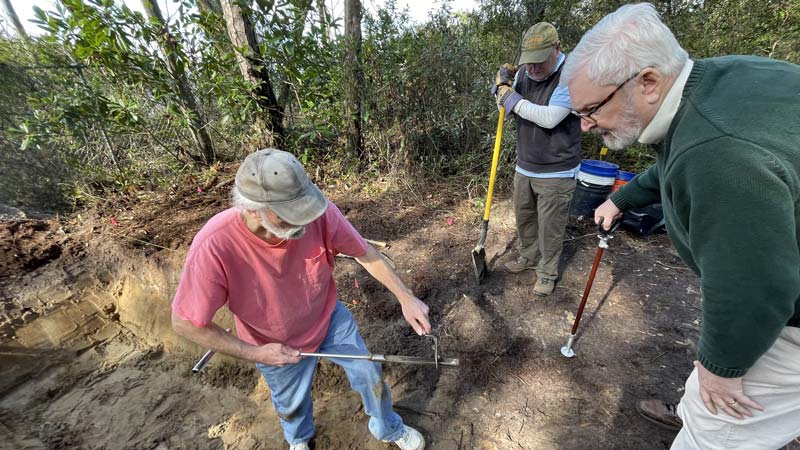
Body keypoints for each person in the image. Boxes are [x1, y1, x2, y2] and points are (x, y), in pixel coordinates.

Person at [560, 3, 800, 449]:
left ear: (647, 81)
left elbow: (754, 290)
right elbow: (688, 150)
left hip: (788, 322)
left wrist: (721, 370)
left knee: (716, 425)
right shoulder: (727, 78)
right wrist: (624, 198)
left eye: (591, 109)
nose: (585, 124)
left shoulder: (719, 157)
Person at [171, 148, 430, 450]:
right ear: (253, 209)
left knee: (369, 373)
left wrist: (406, 297)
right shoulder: (214, 246)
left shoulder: (316, 213)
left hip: (328, 319)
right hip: (270, 343)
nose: (304, 222)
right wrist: (258, 354)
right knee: (291, 405)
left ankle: (387, 428)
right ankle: (299, 441)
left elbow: (365, 254)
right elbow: (185, 323)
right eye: (289, 214)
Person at [493, 22, 582, 296]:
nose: (532, 70)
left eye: (539, 63)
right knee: (525, 218)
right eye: (527, 63)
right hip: (526, 164)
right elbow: (503, 106)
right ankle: (529, 257)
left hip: (557, 170)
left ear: (557, 48)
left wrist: (510, 98)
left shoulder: (571, 76)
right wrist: (500, 86)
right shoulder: (525, 73)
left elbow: (549, 117)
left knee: (550, 228)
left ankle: (547, 273)